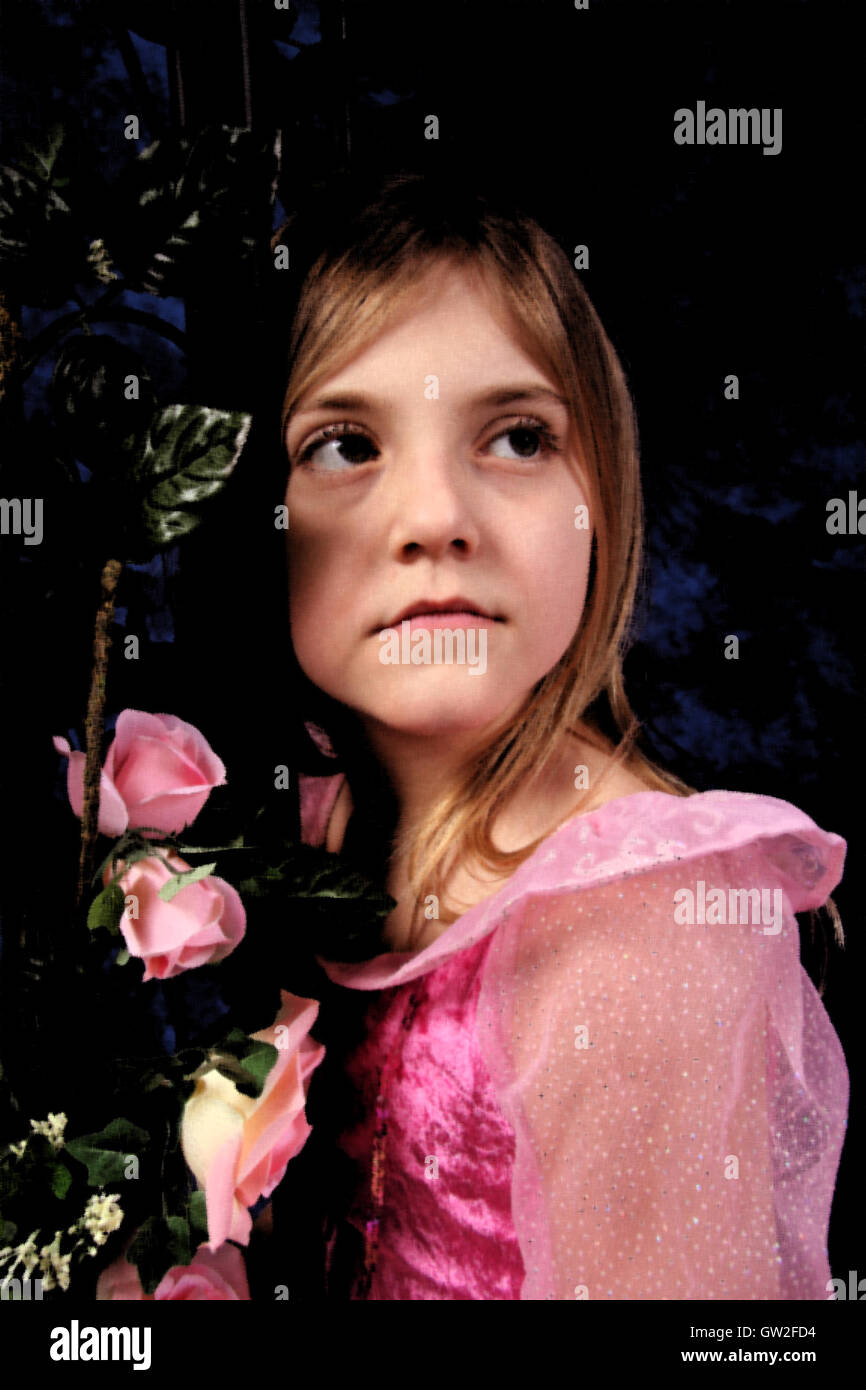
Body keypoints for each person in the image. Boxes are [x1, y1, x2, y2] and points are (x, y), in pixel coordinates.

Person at [270, 170, 848, 1300]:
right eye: (344, 444)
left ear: (605, 491)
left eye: (518, 437)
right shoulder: (303, 824)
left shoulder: (639, 927)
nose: (435, 518)